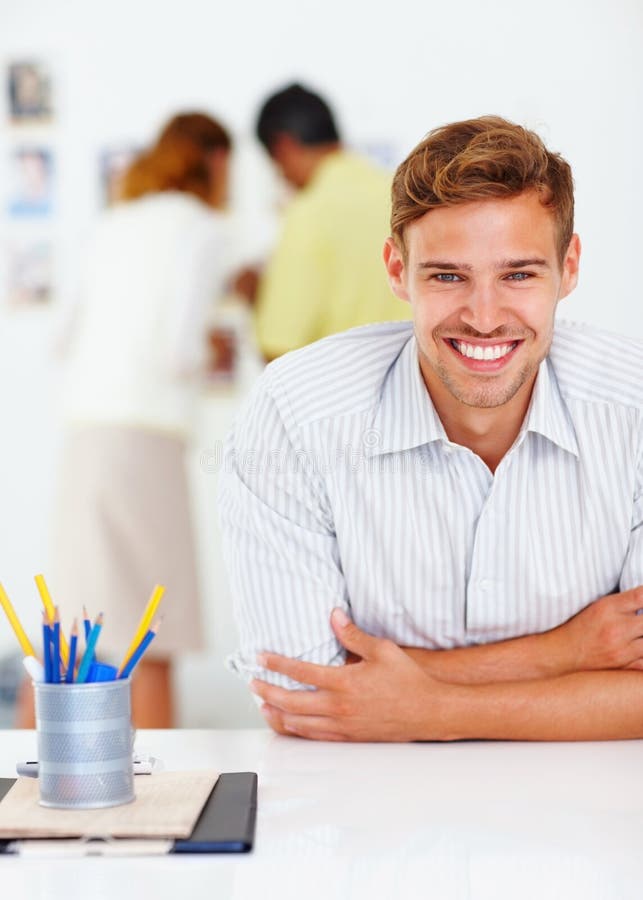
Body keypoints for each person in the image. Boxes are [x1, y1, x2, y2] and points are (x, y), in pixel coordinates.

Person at [218, 115, 643, 743]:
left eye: (519, 274)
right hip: (361, 816)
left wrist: (428, 708)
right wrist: (566, 652)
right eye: (448, 276)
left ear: (569, 267)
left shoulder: (631, 408)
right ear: (396, 269)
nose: (484, 316)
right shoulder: (294, 415)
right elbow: (304, 695)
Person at [16, 112, 234, 728]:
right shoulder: (203, 229)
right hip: (147, 438)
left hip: (87, 432)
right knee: (151, 627)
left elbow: (61, 337)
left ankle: (19, 777)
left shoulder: (110, 224)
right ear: (216, 162)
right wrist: (216, 347)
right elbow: (178, 350)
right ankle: (164, 782)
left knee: (66, 624)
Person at [249, 83, 410, 361]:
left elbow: (278, 347)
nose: (282, 179)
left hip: (340, 396)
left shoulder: (309, 212)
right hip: (413, 393)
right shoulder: (402, 195)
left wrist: (256, 297)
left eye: (276, 166)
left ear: (284, 146)